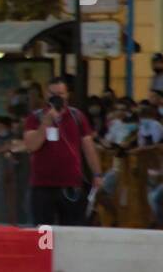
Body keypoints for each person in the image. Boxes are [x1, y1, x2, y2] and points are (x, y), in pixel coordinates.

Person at [22, 75, 103, 227]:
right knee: (44, 232)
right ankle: (44, 251)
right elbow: (31, 145)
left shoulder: (77, 117)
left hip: (70, 184)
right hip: (43, 185)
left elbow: (88, 147)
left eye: (60, 94)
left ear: (67, 95)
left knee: (73, 229)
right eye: (53, 94)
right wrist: (46, 123)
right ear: (47, 95)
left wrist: (97, 173)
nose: (57, 98)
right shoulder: (36, 118)